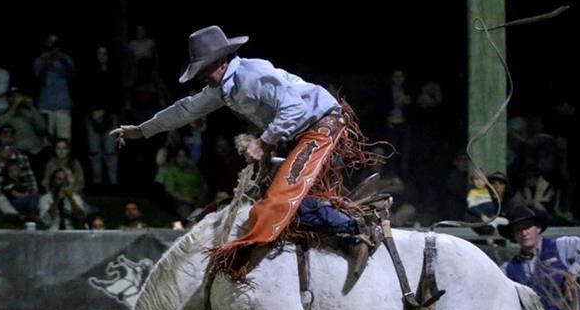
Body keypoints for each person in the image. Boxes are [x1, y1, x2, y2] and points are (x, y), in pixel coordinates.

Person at [111, 25, 381, 278]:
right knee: (267, 196)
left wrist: (263, 142)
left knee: (280, 198)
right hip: (304, 133)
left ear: (221, 61)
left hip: (323, 125)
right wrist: (141, 130)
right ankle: (337, 232)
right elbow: (186, 108)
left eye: (204, 69)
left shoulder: (250, 74)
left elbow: (295, 108)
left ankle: (357, 231)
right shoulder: (223, 88)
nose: (202, 77)